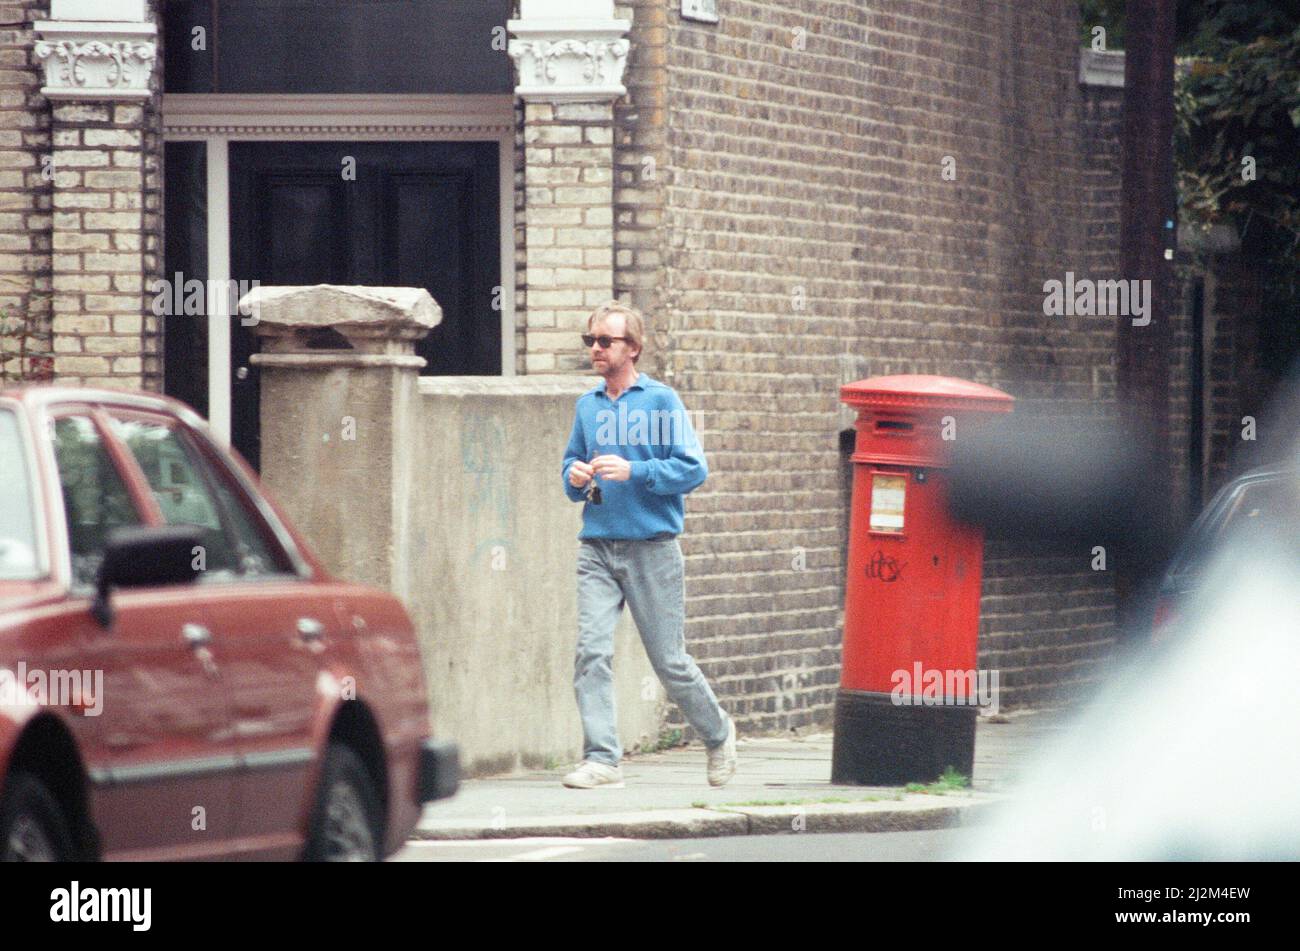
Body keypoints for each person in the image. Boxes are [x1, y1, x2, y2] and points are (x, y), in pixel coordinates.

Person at [560, 300, 737, 789]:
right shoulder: (588, 406)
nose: (595, 349)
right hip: (597, 546)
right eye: (590, 341)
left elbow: (693, 469)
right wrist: (574, 476)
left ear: (632, 348)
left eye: (605, 341)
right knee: (590, 652)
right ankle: (603, 760)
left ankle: (719, 734)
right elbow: (572, 468)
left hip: (651, 547)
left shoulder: (660, 402)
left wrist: (636, 470)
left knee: (669, 662)